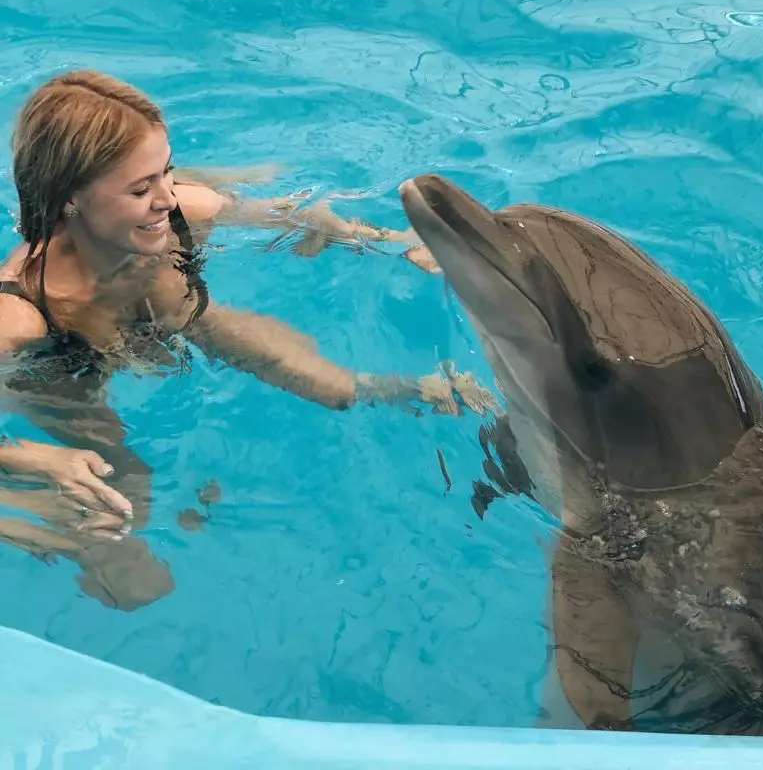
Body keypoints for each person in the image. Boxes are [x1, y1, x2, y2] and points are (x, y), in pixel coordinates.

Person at [0, 69, 483, 609]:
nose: (166, 198)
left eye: (167, 172)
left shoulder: (179, 210)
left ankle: (392, 388)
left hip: (175, 319)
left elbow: (304, 219)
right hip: (72, 368)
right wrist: (33, 459)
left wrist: (393, 244)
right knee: (130, 558)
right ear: (71, 200)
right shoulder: (20, 317)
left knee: (332, 387)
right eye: (140, 188)